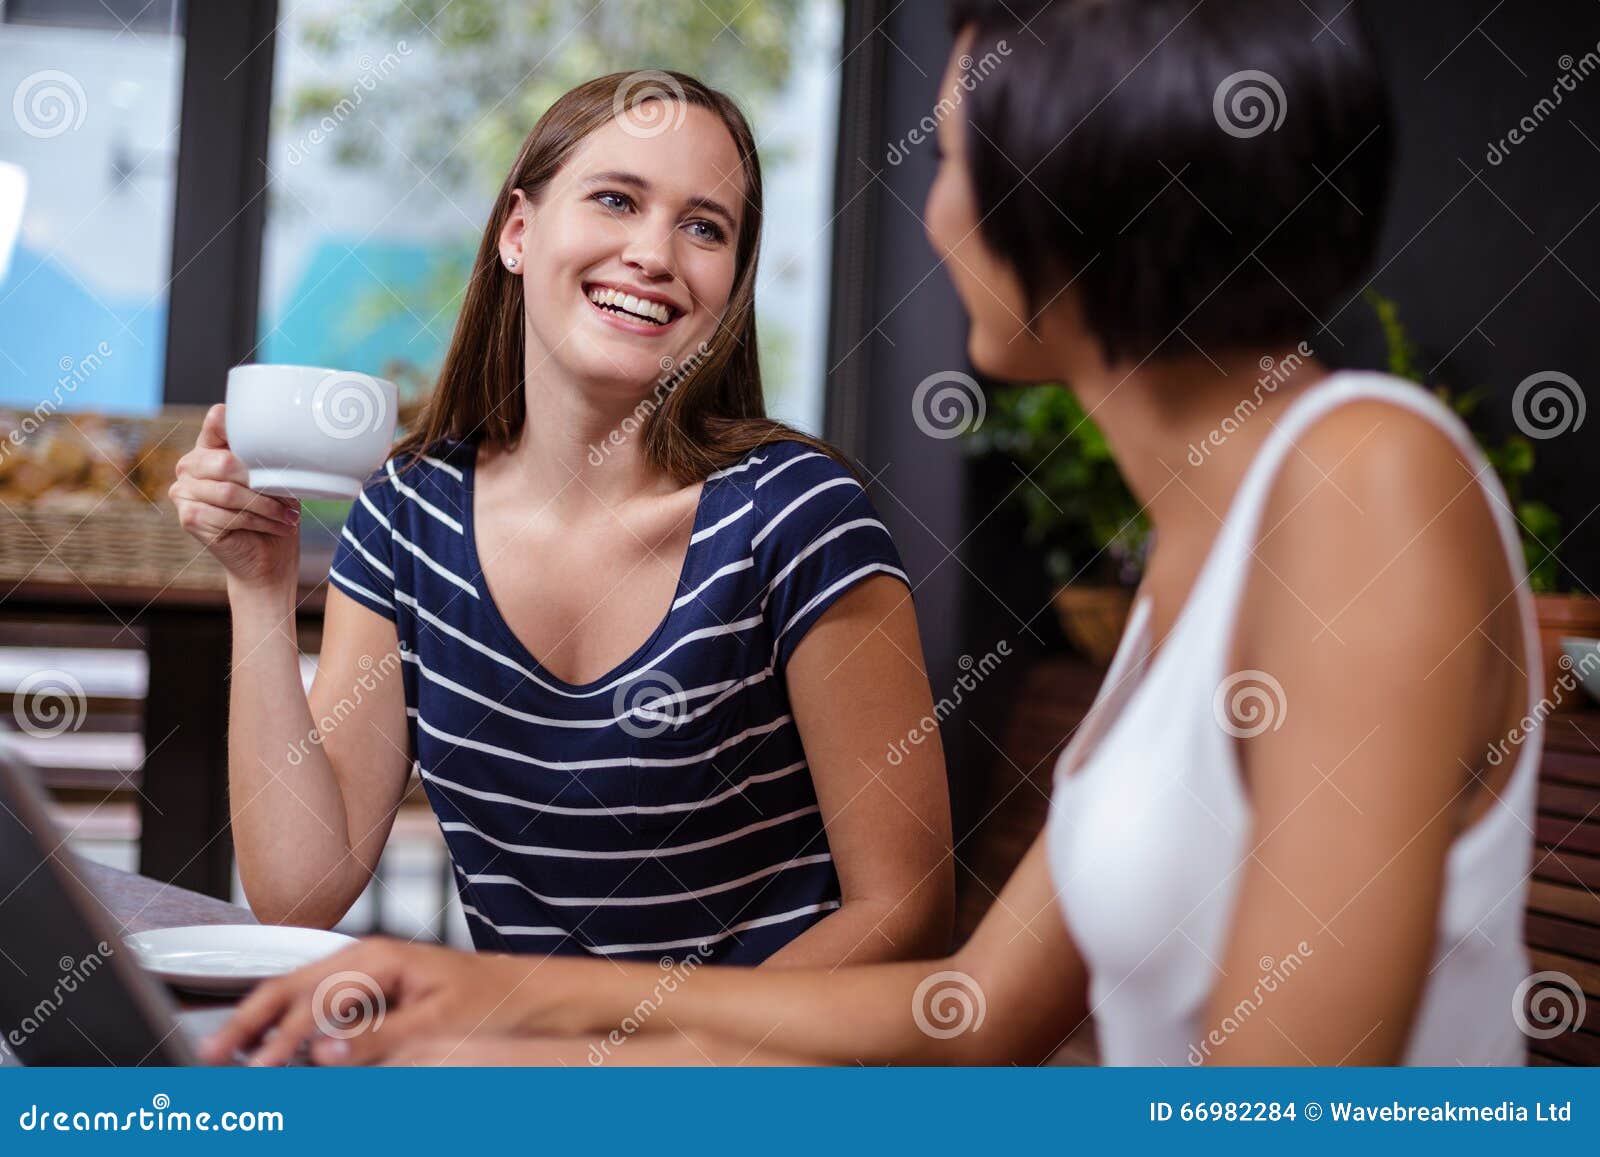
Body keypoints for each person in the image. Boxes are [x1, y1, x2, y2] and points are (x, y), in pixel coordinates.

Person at [203, 0, 1542, 1067]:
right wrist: (477, 1000)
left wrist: (555, 1057)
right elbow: (967, 1013)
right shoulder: (1202, 551)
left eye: (959, 164)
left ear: (1068, 200)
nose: (935, 212)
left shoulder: (1365, 480)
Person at [171, 71, 954, 984]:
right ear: (517, 232)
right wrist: (259, 586)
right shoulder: (410, 515)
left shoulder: (797, 518)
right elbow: (299, 891)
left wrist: (617, 1058)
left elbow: (906, 910)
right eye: (616, 199)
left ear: (731, 280)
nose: (654, 254)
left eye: (705, 227)